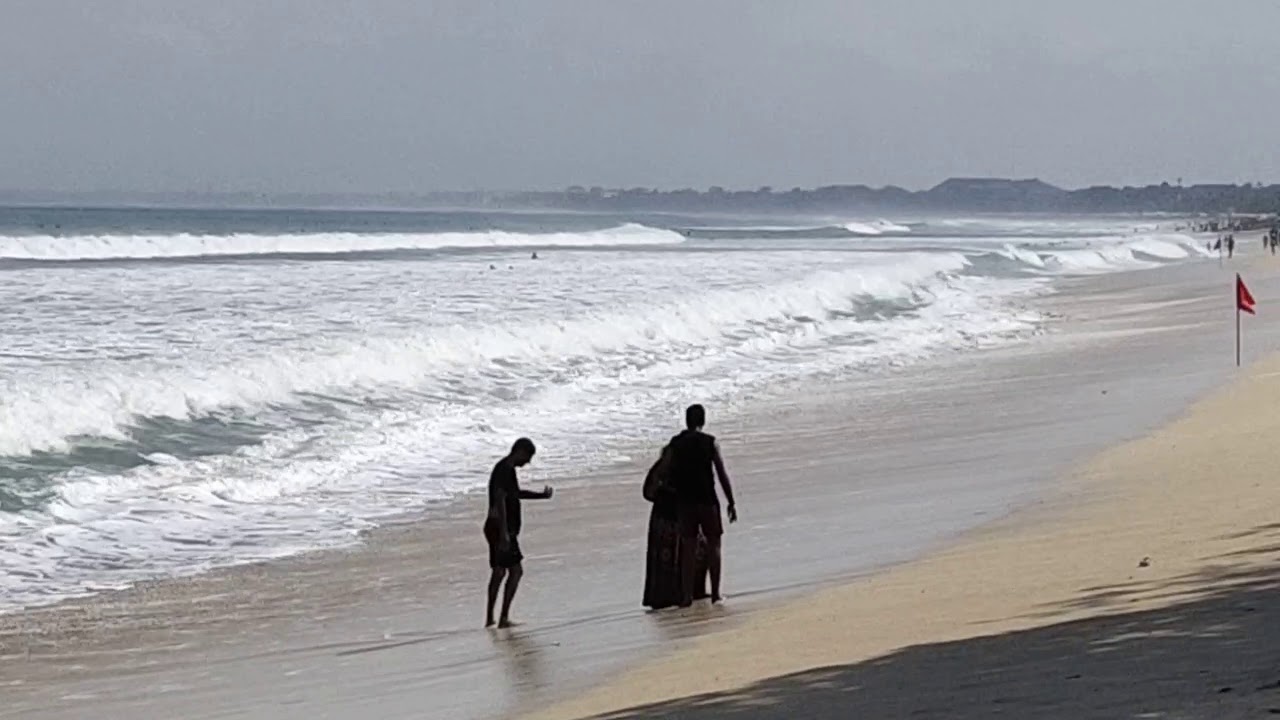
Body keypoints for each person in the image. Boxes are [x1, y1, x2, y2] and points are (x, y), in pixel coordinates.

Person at [667, 404, 737, 606]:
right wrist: (730, 501)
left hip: (685, 502)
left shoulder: (676, 443)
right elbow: (722, 474)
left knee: (688, 548)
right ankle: (715, 594)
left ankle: (687, 596)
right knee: (714, 545)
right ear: (703, 421)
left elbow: (667, 471)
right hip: (707, 499)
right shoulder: (710, 442)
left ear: (686, 421)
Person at [483, 437, 553, 628]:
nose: (528, 462)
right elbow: (500, 500)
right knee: (515, 571)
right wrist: (505, 532)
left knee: (499, 571)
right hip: (500, 528)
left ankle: (490, 617)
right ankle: (503, 617)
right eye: (528, 456)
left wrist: (541, 495)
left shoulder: (505, 469)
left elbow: (515, 493)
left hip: (494, 526)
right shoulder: (505, 469)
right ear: (520, 451)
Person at [642, 443, 709, 610]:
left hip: (667, 514)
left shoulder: (667, 466)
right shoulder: (684, 466)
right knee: (692, 551)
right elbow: (648, 492)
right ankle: (687, 592)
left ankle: (675, 594)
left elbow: (648, 492)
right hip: (671, 515)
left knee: (673, 556)